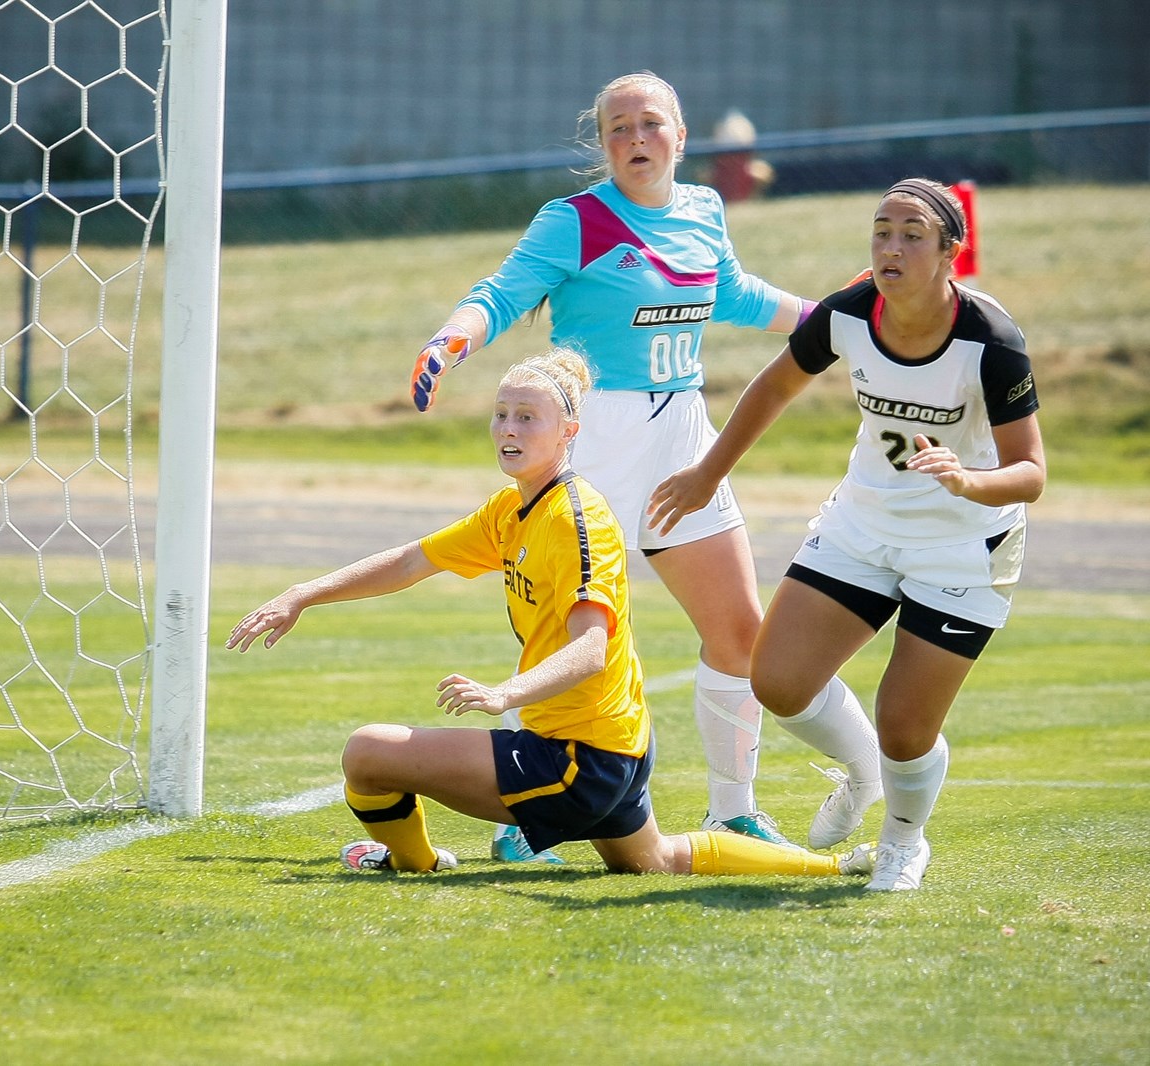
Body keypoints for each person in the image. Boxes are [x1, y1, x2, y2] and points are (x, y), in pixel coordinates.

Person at [408, 70, 854, 860]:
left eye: (650, 123)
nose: (635, 138)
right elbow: (501, 295)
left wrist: (830, 322)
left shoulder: (704, 210)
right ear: (604, 144)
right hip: (595, 438)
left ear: (680, 135)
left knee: (739, 633)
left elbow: (732, 294)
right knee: (567, 636)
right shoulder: (573, 220)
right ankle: (524, 817)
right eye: (618, 128)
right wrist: (452, 338)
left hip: (681, 434)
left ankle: (732, 812)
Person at [229, 349, 874, 881]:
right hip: (613, 749)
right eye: (501, 415)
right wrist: (302, 593)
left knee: (368, 753)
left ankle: (414, 861)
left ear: (569, 432)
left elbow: (591, 649)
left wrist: (503, 695)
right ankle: (834, 866)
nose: (508, 429)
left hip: (578, 757)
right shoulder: (511, 509)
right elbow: (409, 562)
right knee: (657, 860)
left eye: (527, 418)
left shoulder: (575, 519)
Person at [647, 178, 1045, 890]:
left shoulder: (991, 341)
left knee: (905, 727)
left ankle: (902, 842)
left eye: (912, 235)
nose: (891, 247)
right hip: (862, 525)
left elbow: (1031, 473)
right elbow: (774, 386)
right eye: (881, 231)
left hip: (963, 545)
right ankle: (864, 776)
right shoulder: (849, 312)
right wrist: (707, 473)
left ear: (950, 252)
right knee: (777, 681)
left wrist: (967, 480)